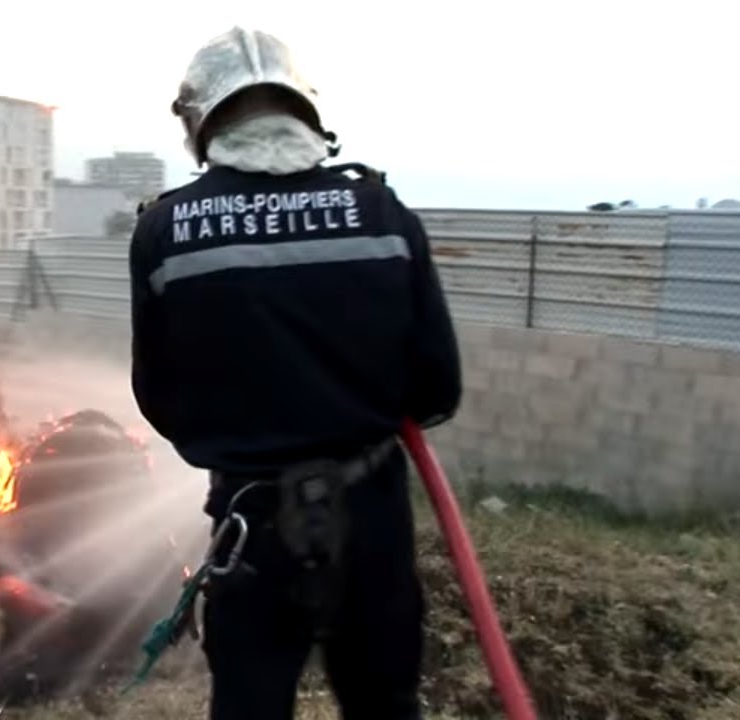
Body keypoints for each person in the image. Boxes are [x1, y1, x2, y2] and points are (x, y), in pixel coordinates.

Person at [128, 27, 463, 720]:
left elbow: (160, 399)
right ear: (304, 108)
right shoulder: (382, 213)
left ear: (201, 120)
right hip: (371, 517)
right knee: (385, 706)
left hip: (251, 523)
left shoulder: (165, 232)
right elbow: (438, 388)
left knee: (249, 705)